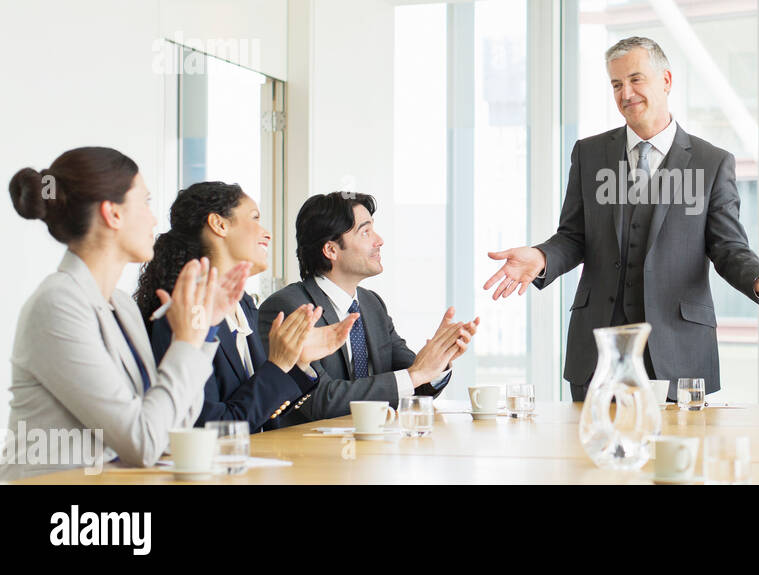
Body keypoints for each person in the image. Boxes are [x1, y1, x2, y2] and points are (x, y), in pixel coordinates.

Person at [481, 36, 759, 401]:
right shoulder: (590, 154)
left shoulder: (712, 162)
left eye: (636, 79)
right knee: (590, 455)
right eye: (616, 84)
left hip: (678, 352)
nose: (626, 93)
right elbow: (574, 236)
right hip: (597, 351)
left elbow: (728, 247)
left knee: (674, 457)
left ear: (667, 81)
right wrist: (542, 256)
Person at [3, 147, 248, 480]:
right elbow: (142, 442)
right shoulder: (57, 305)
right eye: (145, 202)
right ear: (113, 214)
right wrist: (187, 343)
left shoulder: (122, 305)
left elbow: (170, 429)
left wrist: (204, 329)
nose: (153, 219)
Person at [135, 181, 358, 432]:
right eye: (254, 218)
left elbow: (258, 412)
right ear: (219, 224)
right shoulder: (184, 314)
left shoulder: (245, 306)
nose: (267, 233)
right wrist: (278, 366)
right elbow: (211, 427)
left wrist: (298, 362)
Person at [258, 191, 477, 425]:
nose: (379, 240)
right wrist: (416, 374)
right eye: (366, 232)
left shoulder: (372, 304)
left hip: (370, 451)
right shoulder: (289, 307)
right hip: (310, 454)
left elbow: (413, 384)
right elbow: (319, 399)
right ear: (331, 250)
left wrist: (439, 358)